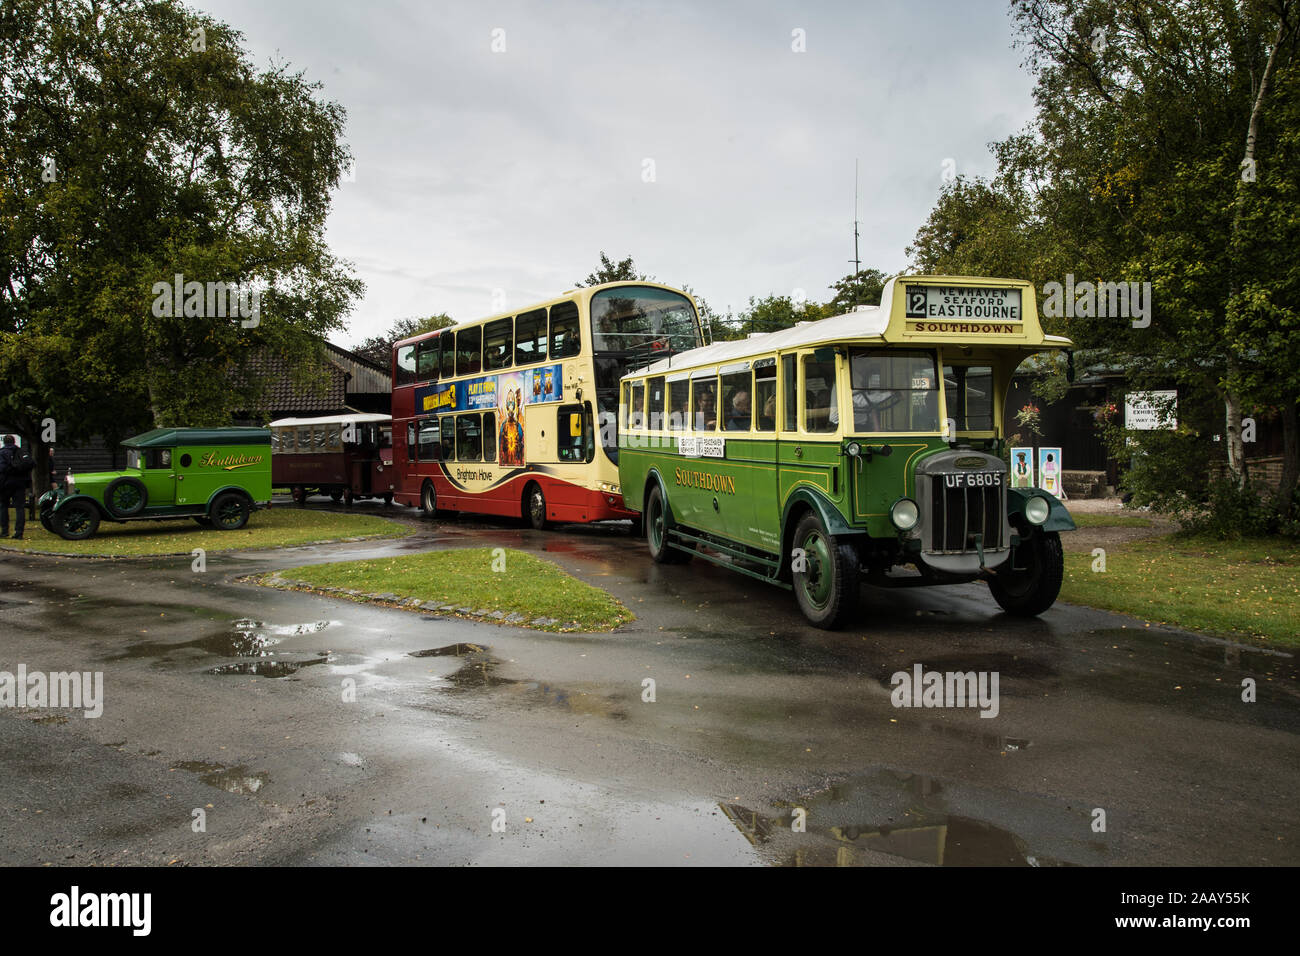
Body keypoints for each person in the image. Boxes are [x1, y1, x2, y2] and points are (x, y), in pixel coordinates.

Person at [0, 435, 30, 539]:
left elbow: (2, 468)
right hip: (20, 483)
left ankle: (4, 531)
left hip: (5, 483)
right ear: (14, 442)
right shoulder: (20, 452)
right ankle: (19, 533)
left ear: (4, 442)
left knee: (3, 506)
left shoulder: (2, 452)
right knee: (20, 508)